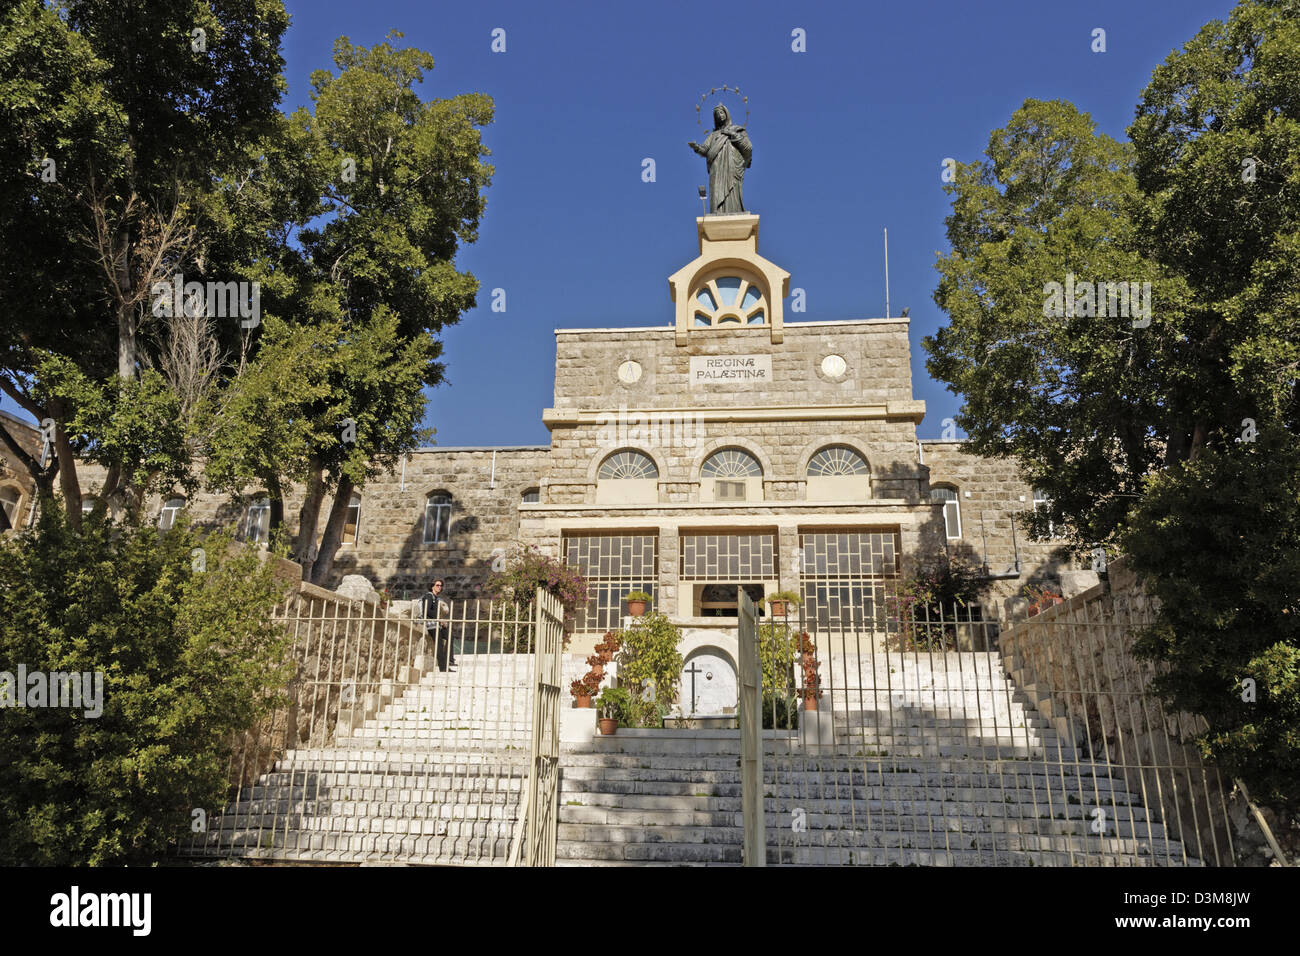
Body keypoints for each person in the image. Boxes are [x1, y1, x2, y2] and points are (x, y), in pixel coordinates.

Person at [420, 578, 456, 671]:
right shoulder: (428, 596)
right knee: (439, 644)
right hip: (431, 624)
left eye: (440, 585)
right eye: (437, 585)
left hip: (437, 623)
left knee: (449, 636)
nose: (439, 587)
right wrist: (439, 619)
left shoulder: (437, 598)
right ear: (432, 586)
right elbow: (426, 611)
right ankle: (443, 668)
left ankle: (450, 660)